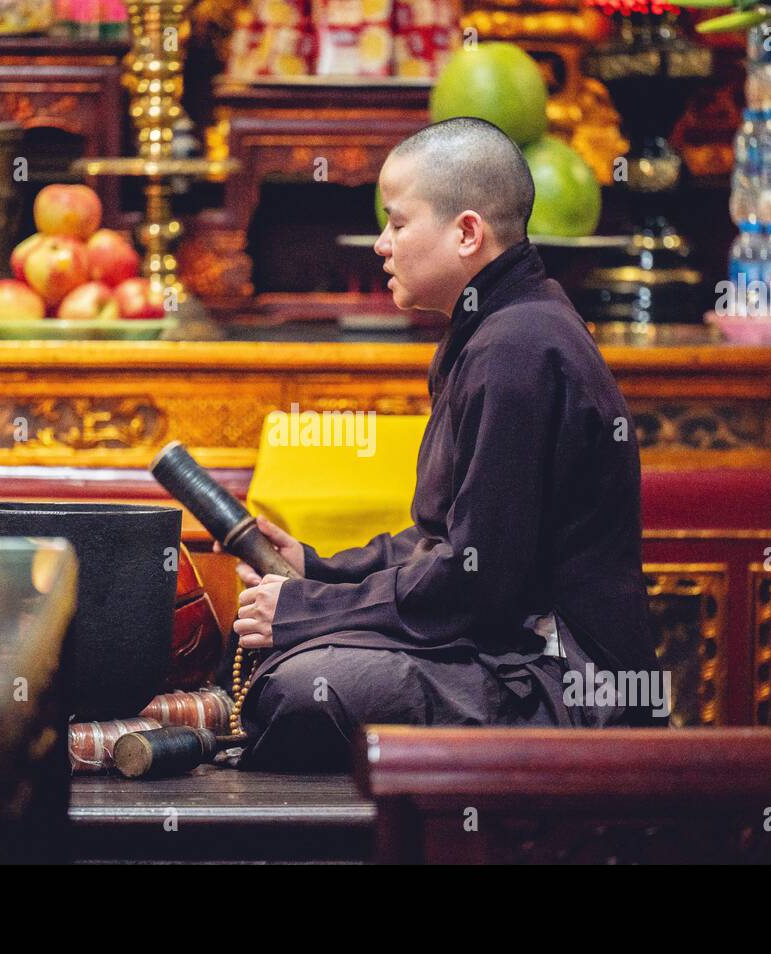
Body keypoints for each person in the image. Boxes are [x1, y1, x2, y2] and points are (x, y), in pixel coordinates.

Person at [226, 117, 669, 772]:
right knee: (293, 662)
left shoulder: (517, 347)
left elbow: (479, 582)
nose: (381, 244)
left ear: (467, 232)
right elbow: (444, 543)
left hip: (565, 682)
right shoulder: (497, 326)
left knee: (297, 689)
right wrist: (322, 571)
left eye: (398, 224)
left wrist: (309, 608)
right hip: (506, 647)